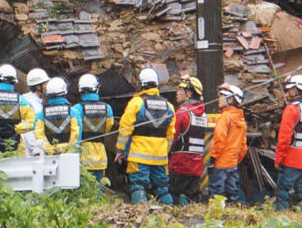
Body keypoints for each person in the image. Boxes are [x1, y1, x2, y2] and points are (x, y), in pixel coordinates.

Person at [116, 67, 176, 204]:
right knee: (162, 187)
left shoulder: (136, 103)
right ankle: (168, 215)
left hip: (139, 153)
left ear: (141, 84)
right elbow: (170, 134)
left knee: (138, 184)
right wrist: (164, 151)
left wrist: (120, 150)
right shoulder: (169, 106)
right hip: (160, 156)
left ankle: (140, 214)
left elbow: (125, 129)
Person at [0, 64, 42, 154]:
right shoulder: (21, 101)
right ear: (14, 81)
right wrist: (15, 129)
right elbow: (33, 121)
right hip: (15, 148)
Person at [273, 74, 302, 209]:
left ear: (297, 90)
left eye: (290, 89)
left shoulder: (292, 109)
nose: (288, 92)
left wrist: (279, 158)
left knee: (283, 191)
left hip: (292, 159)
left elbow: (284, 138)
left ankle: (280, 219)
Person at [169, 75, 209, 205]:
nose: (177, 93)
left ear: (189, 93)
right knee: (194, 198)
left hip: (179, 164)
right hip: (196, 166)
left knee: (173, 194)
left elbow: (172, 137)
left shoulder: (182, 113)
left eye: (180, 89)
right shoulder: (203, 115)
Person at [73, 73, 114, 184]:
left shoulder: (76, 109)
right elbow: (108, 127)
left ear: (81, 90)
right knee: (98, 186)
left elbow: (74, 131)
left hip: (82, 154)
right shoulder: (107, 108)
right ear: (96, 89)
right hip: (100, 154)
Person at [210, 83, 248, 204]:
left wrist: (213, 157)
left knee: (217, 191)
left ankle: (216, 216)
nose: (219, 99)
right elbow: (243, 146)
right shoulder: (241, 119)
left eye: (222, 96)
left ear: (231, 99)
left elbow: (219, 139)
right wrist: (235, 160)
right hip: (232, 164)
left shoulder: (225, 117)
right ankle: (233, 215)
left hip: (221, 163)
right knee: (232, 191)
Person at [39, 77, 78, 154]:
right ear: (64, 91)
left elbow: (39, 135)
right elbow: (76, 134)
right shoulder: (73, 111)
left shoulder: (41, 114)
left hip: (50, 157)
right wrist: (70, 151)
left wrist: (50, 151)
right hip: (70, 156)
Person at [21, 68, 50, 156]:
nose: (48, 86)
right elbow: (29, 130)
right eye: (46, 83)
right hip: (30, 154)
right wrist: (36, 151)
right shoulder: (32, 105)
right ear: (38, 86)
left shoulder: (31, 101)